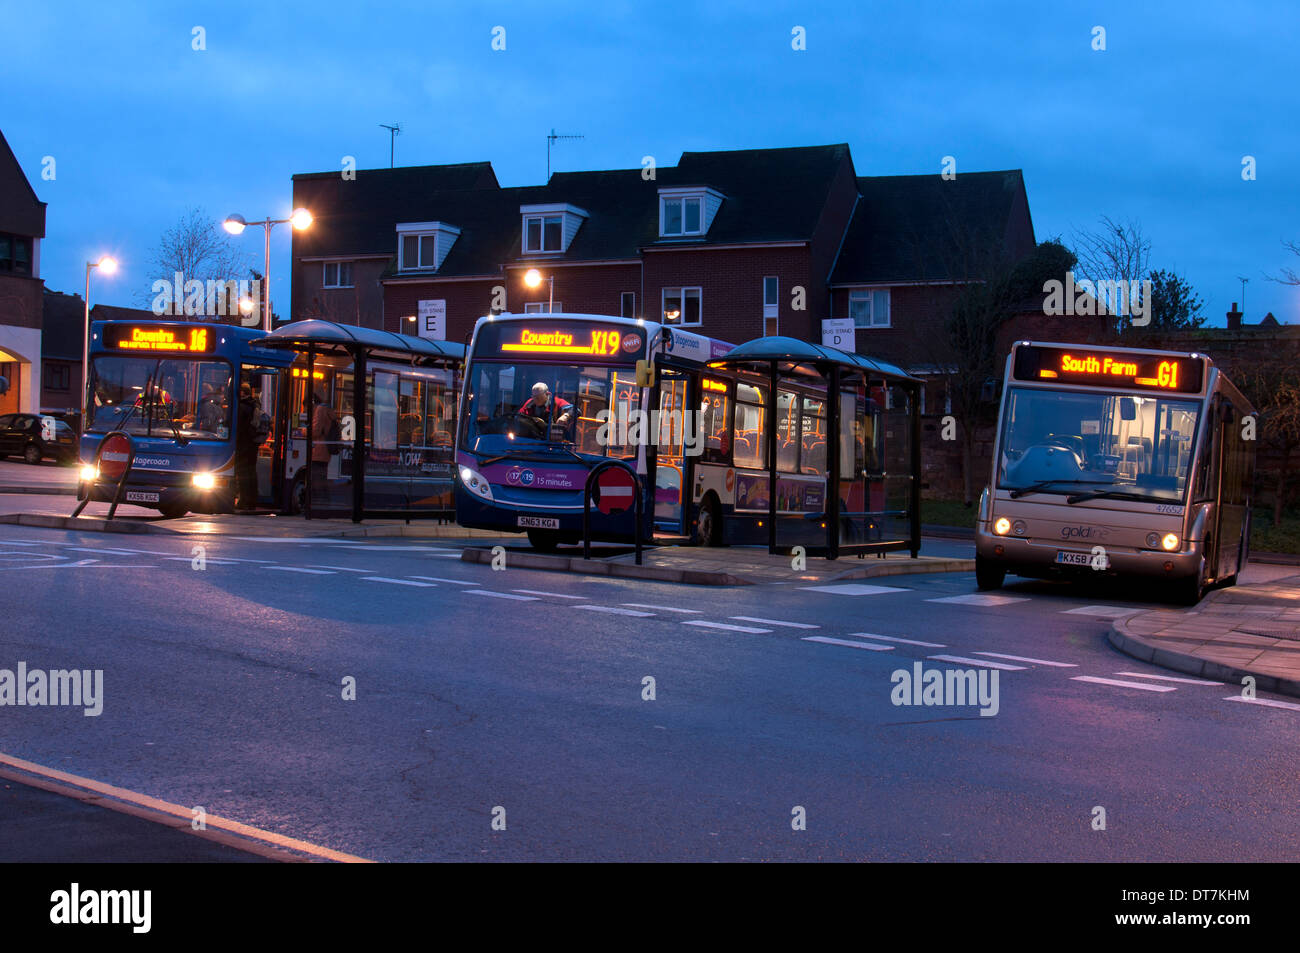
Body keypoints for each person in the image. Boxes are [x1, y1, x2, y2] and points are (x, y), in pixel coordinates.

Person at [308, 390, 338, 505]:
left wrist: (304, 431)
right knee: (321, 477)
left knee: (317, 479)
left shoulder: (319, 410)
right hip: (325, 451)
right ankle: (323, 502)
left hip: (318, 450)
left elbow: (316, 431)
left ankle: (319, 503)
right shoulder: (328, 410)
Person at [235, 382, 259, 510]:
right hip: (252, 444)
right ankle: (252, 500)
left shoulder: (242, 406)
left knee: (242, 473)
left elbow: (238, 427)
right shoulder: (254, 404)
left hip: (243, 444)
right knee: (251, 472)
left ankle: (243, 501)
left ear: (242, 392)